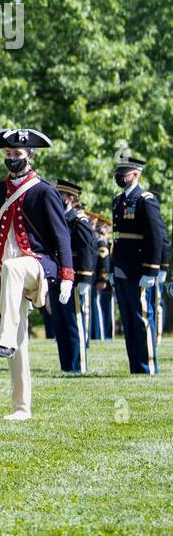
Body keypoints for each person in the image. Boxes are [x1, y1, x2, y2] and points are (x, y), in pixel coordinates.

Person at [0, 128, 73, 420]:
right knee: (18, 342)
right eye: (8, 154)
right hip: (6, 275)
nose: (12, 159)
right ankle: (21, 408)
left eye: (17, 155)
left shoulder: (44, 191)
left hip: (35, 266)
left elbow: (61, 236)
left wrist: (68, 275)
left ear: (30, 156)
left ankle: (4, 337)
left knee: (14, 268)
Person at [110, 154, 167, 374]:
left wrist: (154, 269)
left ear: (136, 174)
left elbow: (157, 236)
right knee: (128, 318)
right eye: (118, 173)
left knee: (141, 318)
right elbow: (118, 237)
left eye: (123, 173)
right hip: (122, 266)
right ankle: (135, 365)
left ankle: (147, 366)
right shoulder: (118, 200)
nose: (119, 177)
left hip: (139, 268)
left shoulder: (146, 200)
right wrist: (114, 268)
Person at [53, 180, 97, 373]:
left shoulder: (79, 221)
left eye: (60, 195)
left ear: (70, 198)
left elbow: (88, 250)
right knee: (60, 325)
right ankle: (66, 366)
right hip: (56, 276)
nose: (57, 198)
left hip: (74, 278)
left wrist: (86, 279)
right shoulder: (57, 219)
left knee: (73, 324)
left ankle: (79, 366)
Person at [93, 217, 114, 340]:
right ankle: (102, 335)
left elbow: (104, 263)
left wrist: (102, 279)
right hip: (102, 280)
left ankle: (105, 335)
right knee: (102, 309)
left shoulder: (102, 243)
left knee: (105, 310)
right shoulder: (102, 242)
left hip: (105, 282)